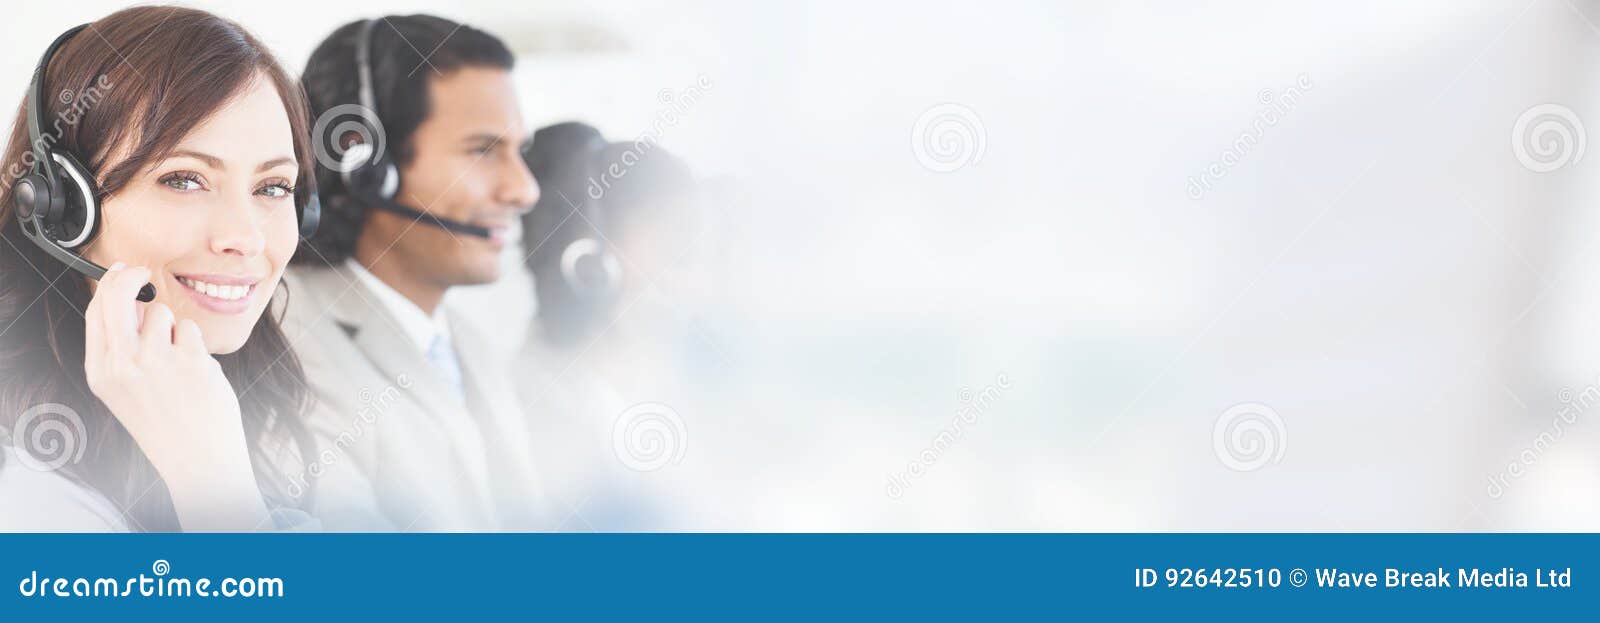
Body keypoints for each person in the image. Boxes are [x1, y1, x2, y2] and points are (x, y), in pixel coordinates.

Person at [0, 6, 320, 532]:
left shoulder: (241, 416)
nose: (245, 238)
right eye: (184, 180)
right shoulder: (32, 497)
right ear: (62, 207)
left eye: (273, 187)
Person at [284, 15, 546, 530]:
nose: (524, 190)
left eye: (521, 153)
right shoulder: (286, 347)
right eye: (483, 151)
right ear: (364, 165)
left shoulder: (469, 344)